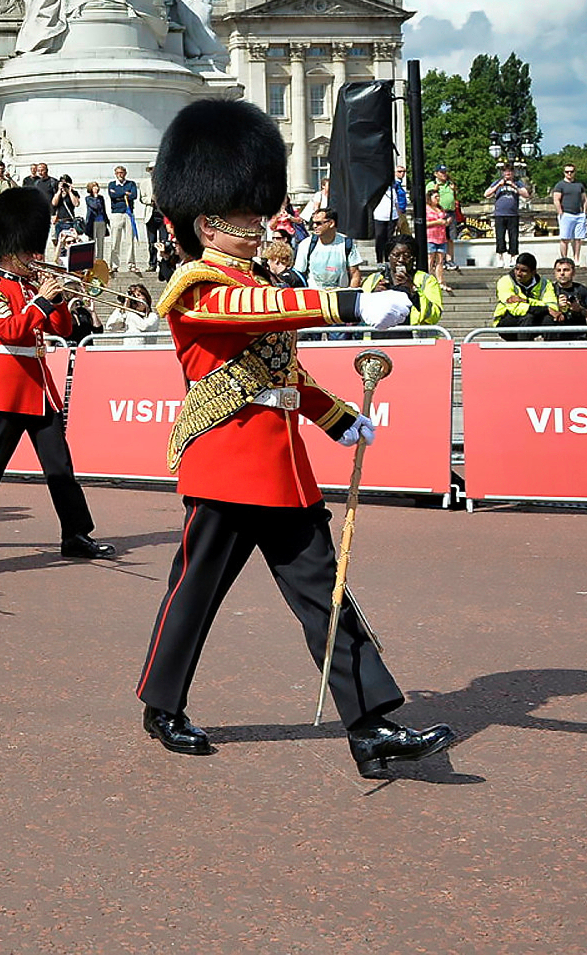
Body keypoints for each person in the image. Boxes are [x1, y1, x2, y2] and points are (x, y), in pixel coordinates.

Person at [135, 97, 450, 778]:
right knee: (194, 592)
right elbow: (257, 311)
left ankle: (370, 726)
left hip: (281, 468)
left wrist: (337, 417)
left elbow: (280, 372)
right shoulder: (196, 287)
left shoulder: (253, 280)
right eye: (244, 217)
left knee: (327, 595)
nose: (258, 226)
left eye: (257, 212)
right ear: (205, 220)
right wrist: (349, 303)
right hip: (224, 465)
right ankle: (162, 704)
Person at [0, 188, 114, 561]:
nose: (35, 257)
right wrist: (40, 300)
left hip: (39, 387)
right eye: (28, 251)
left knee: (59, 464)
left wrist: (62, 299)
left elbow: (63, 328)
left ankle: (75, 534)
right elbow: (12, 332)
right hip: (8, 386)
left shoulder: (33, 286)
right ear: (8, 250)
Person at [359, 236, 443, 328]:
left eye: (407, 256)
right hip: (378, 340)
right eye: (396, 255)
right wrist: (373, 296)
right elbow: (359, 313)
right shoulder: (373, 280)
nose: (401, 260)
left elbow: (435, 316)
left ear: (414, 258)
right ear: (388, 256)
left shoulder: (427, 281)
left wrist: (414, 292)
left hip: (414, 340)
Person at [492, 252, 560, 337]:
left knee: (549, 319)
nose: (518, 273)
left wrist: (526, 300)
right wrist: (544, 308)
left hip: (534, 317)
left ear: (533, 272)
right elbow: (514, 308)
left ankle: (551, 349)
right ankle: (524, 349)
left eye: (524, 270)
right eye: (516, 269)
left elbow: (552, 306)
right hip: (507, 320)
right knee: (528, 317)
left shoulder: (546, 284)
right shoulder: (505, 281)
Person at [293, 209, 357, 293]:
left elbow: (355, 273)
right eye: (313, 223)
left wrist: (351, 295)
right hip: (314, 297)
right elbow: (298, 274)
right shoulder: (306, 244)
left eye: (318, 223)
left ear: (331, 223)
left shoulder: (346, 244)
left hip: (339, 297)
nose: (314, 226)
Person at [543, 256, 587, 342]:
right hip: (555, 338)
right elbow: (540, 311)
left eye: (566, 270)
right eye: (558, 270)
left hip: (578, 337)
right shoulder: (549, 290)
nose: (562, 273)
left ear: (573, 272)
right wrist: (556, 306)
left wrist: (580, 309)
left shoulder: (582, 289)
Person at [482, 166, 528, 266]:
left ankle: (513, 258)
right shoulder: (497, 182)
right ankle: (500, 257)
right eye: (506, 171)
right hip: (500, 214)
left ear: (513, 173)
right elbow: (486, 194)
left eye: (510, 171)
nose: (508, 173)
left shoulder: (517, 183)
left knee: (513, 237)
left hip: (513, 214)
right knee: (500, 237)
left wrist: (514, 186)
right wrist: (498, 185)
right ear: (502, 173)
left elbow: (526, 194)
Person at [368, 165, 409, 266]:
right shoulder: (376, 189)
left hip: (392, 216)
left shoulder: (392, 189)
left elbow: (396, 203)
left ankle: (387, 259)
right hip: (379, 216)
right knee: (379, 238)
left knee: (389, 239)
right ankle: (379, 260)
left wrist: (399, 217)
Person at [106, 166, 141, 271]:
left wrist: (120, 195)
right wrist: (125, 193)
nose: (120, 175)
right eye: (118, 173)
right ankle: (114, 265)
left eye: (122, 173)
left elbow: (134, 195)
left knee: (130, 240)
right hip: (116, 214)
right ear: (115, 174)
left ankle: (131, 264)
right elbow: (113, 195)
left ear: (125, 173)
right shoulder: (112, 184)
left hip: (128, 213)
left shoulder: (131, 184)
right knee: (115, 240)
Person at [548, 163, 587, 252]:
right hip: (566, 214)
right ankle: (564, 259)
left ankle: (576, 259)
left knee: (578, 239)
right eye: (567, 172)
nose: (569, 173)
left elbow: (584, 199)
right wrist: (561, 212)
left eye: (571, 171)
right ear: (564, 173)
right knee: (564, 239)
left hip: (578, 214)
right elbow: (556, 200)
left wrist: (584, 212)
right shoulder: (560, 185)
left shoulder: (579, 185)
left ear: (575, 172)